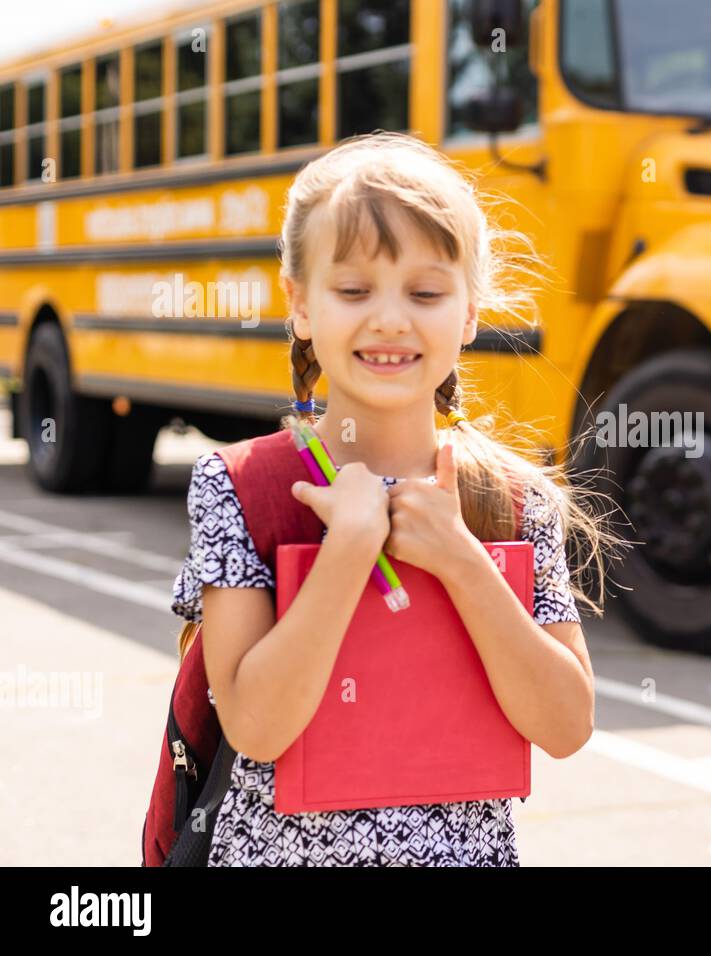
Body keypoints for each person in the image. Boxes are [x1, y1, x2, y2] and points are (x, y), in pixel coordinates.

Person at [170, 132, 618, 866]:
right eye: (353, 290)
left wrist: (463, 563)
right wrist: (345, 552)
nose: (389, 319)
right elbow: (255, 724)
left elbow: (567, 724)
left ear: (470, 312)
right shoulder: (240, 487)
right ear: (301, 304)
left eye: (426, 292)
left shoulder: (511, 497)